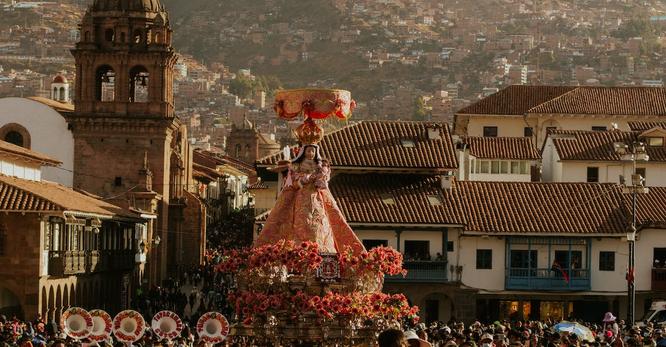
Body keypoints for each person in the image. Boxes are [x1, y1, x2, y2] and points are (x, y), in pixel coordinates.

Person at [254, 141, 365, 255]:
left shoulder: (320, 166)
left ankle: (321, 247)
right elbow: (292, 181)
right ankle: (299, 247)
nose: (311, 153)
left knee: (321, 221)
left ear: (316, 152)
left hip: (316, 197)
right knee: (300, 221)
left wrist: (320, 177)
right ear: (303, 152)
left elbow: (323, 182)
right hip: (301, 197)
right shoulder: (297, 166)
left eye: (313, 151)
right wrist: (303, 179)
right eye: (308, 150)